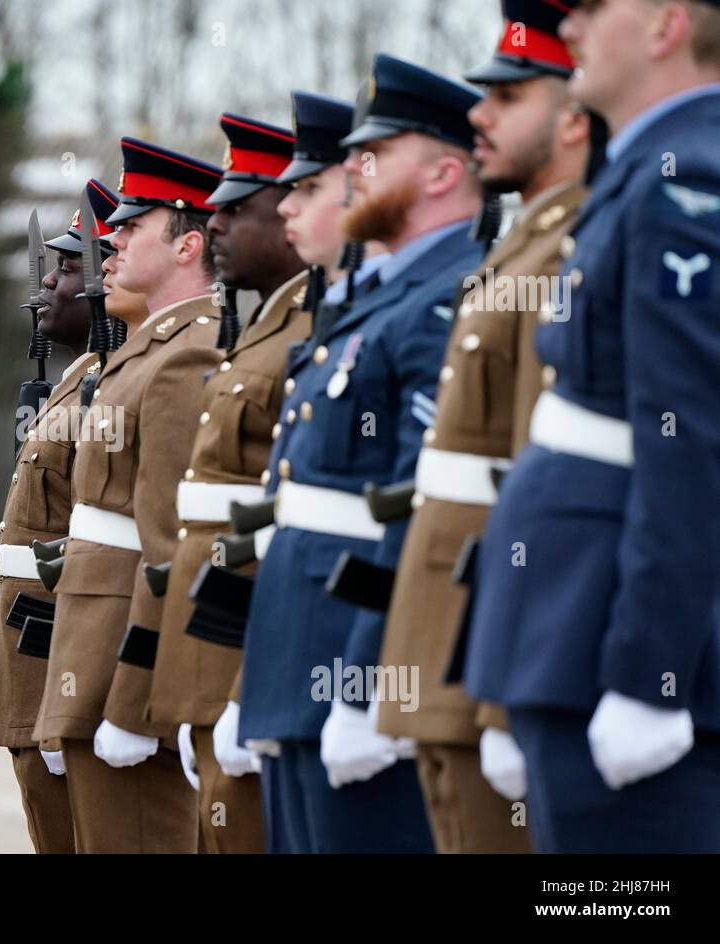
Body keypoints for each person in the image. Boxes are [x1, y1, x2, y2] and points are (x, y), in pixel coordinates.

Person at [464, 0, 720, 853]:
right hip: (571, 631)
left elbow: (687, 441)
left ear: (665, 26)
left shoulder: (688, 177)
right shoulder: (646, 169)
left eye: (594, 7)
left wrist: (652, 674)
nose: (568, 28)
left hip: (611, 636)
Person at [240, 56, 483, 853]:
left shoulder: (449, 297)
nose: (353, 170)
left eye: (376, 155)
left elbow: (419, 505)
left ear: (446, 171)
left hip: (353, 660)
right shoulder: (371, 305)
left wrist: (372, 676)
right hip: (298, 653)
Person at [372, 0, 590, 854]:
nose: (478, 115)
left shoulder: (569, 247)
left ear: (573, 112)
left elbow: (547, 481)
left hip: (491, 640)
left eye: (510, 96)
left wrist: (509, 696)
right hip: (448, 628)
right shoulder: (520, 247)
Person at [34, 136, 223, 853]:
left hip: (121, 664)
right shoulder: (141, 354)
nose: (108, 241)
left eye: (133, 226)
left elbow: (168, 542)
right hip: (90, 649)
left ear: (187, 245)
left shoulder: (189, 354)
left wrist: (139, 696)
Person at [145, 113, 309, 853]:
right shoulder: (260, 333)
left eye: (239, 210)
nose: (216, 224)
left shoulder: (306, 331)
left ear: (293, 217)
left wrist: (250, 684)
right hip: (212, 628)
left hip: (254, 638)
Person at [0, 183, 114, 853]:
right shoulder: (78, 377)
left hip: (70, 658)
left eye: (67, 270)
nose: (46, 286)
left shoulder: (118, 380)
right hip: (33, 651)